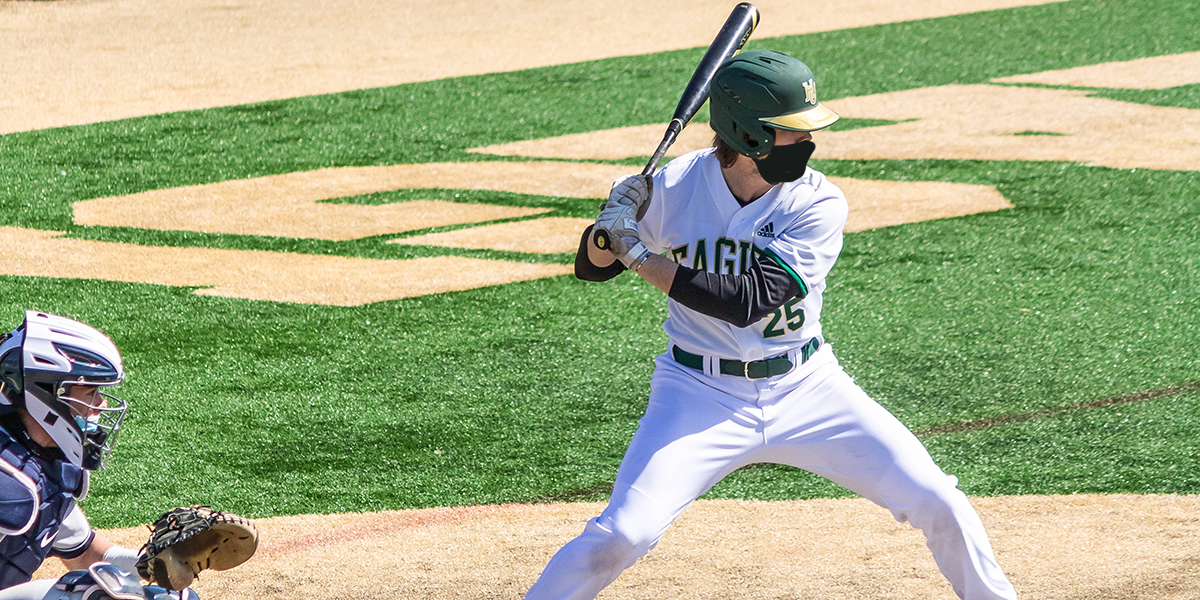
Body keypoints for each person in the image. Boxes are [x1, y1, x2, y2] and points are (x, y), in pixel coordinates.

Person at [524, 50, 1017, 600]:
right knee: (620, 536)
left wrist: (636, 251)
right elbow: (591, 270)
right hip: (697, 393)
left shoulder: (818, 201)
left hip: (808, 389)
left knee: (938, 501)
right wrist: (608, 225)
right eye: (792, 131)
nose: (808, 142)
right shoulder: (677, 185)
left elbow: (750, 300)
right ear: (748, 132)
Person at [0, 310, 150, 599]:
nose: (101, 404)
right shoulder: (7, 478)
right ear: (47, 393)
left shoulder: (46, 464)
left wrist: (156, 563)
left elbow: (86, 553)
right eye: (91, 391)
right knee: (89, 593)